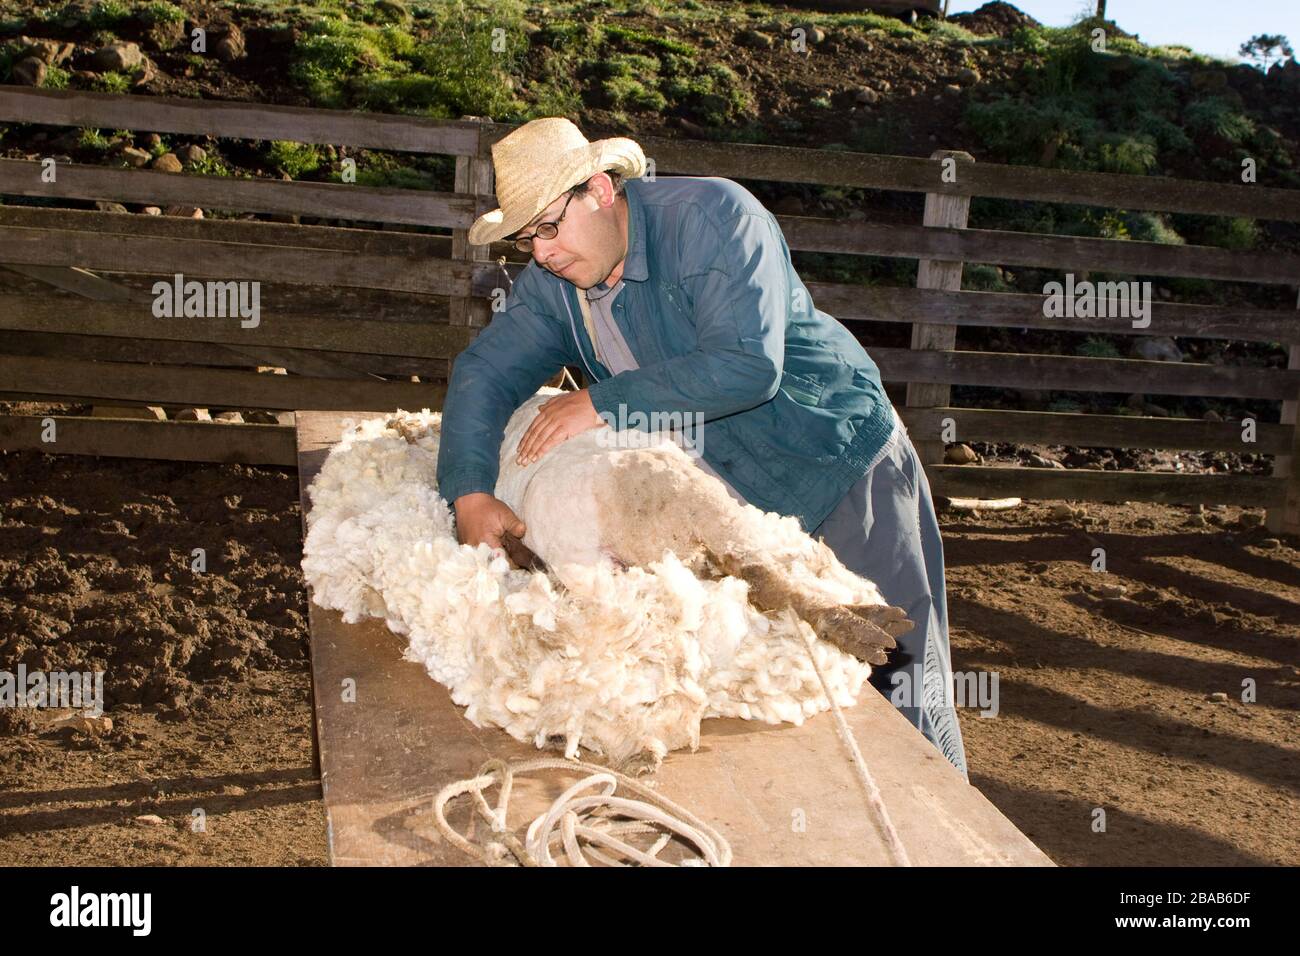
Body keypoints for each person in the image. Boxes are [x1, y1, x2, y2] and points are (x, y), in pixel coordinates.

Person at [436, 117, 969, 777]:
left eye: (548, 227)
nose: (540, 253)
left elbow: (746, 364)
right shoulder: (559, 287)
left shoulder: (713, 217)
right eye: (525, 240)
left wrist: (600, 402)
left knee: (898, 668)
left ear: (599, 190)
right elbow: (483, 373)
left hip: (837, 463)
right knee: (789, 688)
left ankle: (957, 834)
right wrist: (469, 491)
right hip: (735, 503)